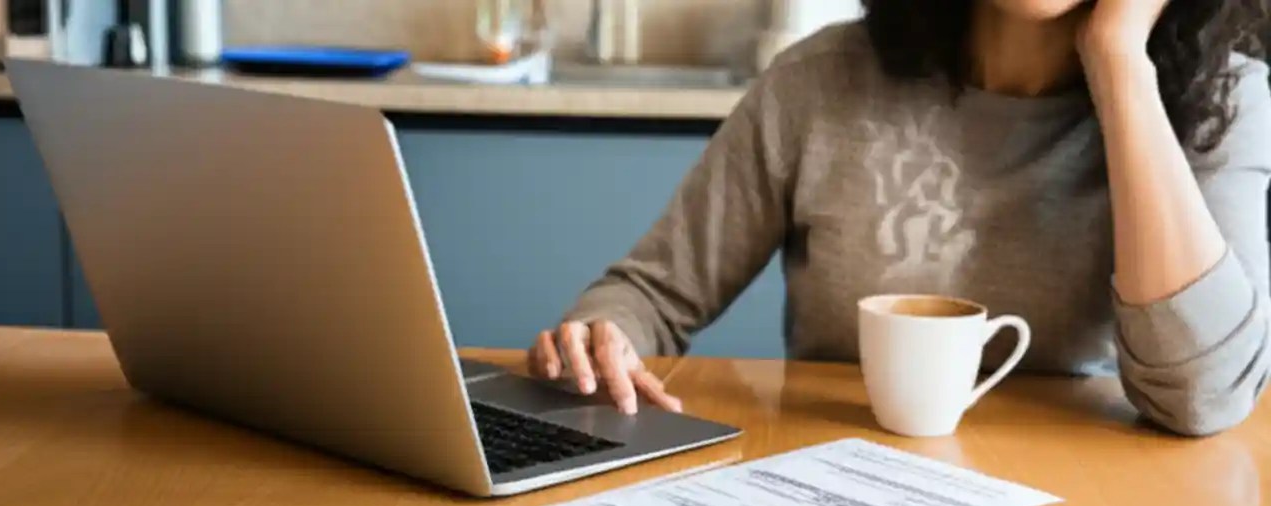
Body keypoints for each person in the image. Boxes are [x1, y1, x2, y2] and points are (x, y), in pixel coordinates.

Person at [528, 0, 1271, 436]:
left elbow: (1205, 397)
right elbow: (652, 295)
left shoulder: (1222, 103)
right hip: (836, 499)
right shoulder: (817, 82)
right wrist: (603, 337)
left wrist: (1117, 62)